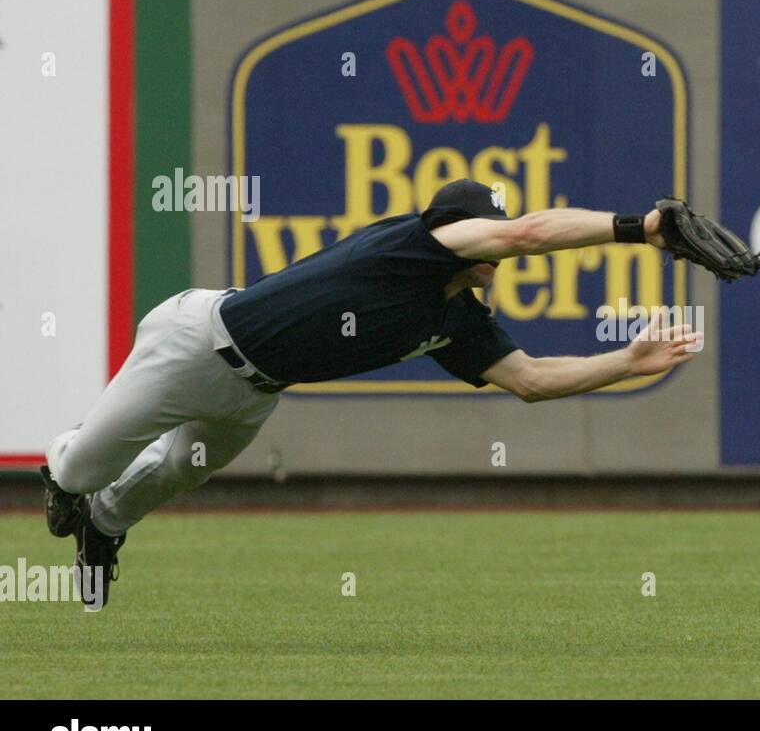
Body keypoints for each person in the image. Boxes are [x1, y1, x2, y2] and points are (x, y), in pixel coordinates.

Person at [40, 179, 701, 608]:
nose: (496, 249)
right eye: (484, 232)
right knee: (76, 470)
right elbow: (525, 233)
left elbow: (528, 381)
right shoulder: (413, 246)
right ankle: (70, 471)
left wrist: (628, 360)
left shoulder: (457, 319)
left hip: (254, 393)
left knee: (171, 475)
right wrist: (637, 229)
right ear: (451, 231)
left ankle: (105, 526)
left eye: (493, 231)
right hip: (192, 344)